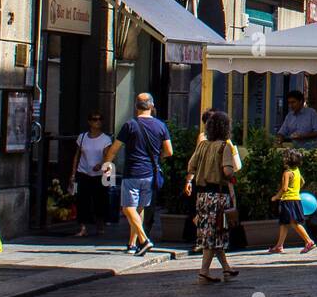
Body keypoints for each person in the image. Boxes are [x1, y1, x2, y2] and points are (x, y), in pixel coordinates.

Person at [102, 93, 172, 256]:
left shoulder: (130, 125)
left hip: (133, 172)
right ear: (152, 106)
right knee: (139, 209)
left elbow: (115, 148)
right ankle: (132, 243)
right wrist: (157, 156)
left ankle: (144, 240)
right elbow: (169, 151)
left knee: (127, 208)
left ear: (136, 107)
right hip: (150, 174)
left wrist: (107, 164)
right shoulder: (161, 126)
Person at [185, 110, 241, 283]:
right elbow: (228, 170)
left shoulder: (202, 145)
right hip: (218, 195)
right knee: (215, 233)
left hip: (201, 195)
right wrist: (231, 172)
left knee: (212, 232)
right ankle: (204, 272)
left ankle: (226, 269)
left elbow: (190, 166)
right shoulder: (224, 146)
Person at [68, 112, 111, 237]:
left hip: (99, 174)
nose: (98, 122)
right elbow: (77, 155)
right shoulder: (82, 137)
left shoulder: (105, 139)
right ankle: (83, 227)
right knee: (82, 200)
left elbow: (108, 156)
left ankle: (100, 225)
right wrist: (73, 173)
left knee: (100, 200)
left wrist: (101, 164)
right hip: (83, 172)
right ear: (89, 122)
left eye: (100, 119)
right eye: (95, 119)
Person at [268, 149, 317, 254]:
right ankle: (279, 246)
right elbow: (302, 181)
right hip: (296, 199)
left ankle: (309, 241)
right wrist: (296, 190)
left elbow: (284, 188)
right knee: (284, 223)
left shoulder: (287, 172)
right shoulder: (297, 171)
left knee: (293, 222)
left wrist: (276, 197)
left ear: (287, 161)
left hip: (287, 200)